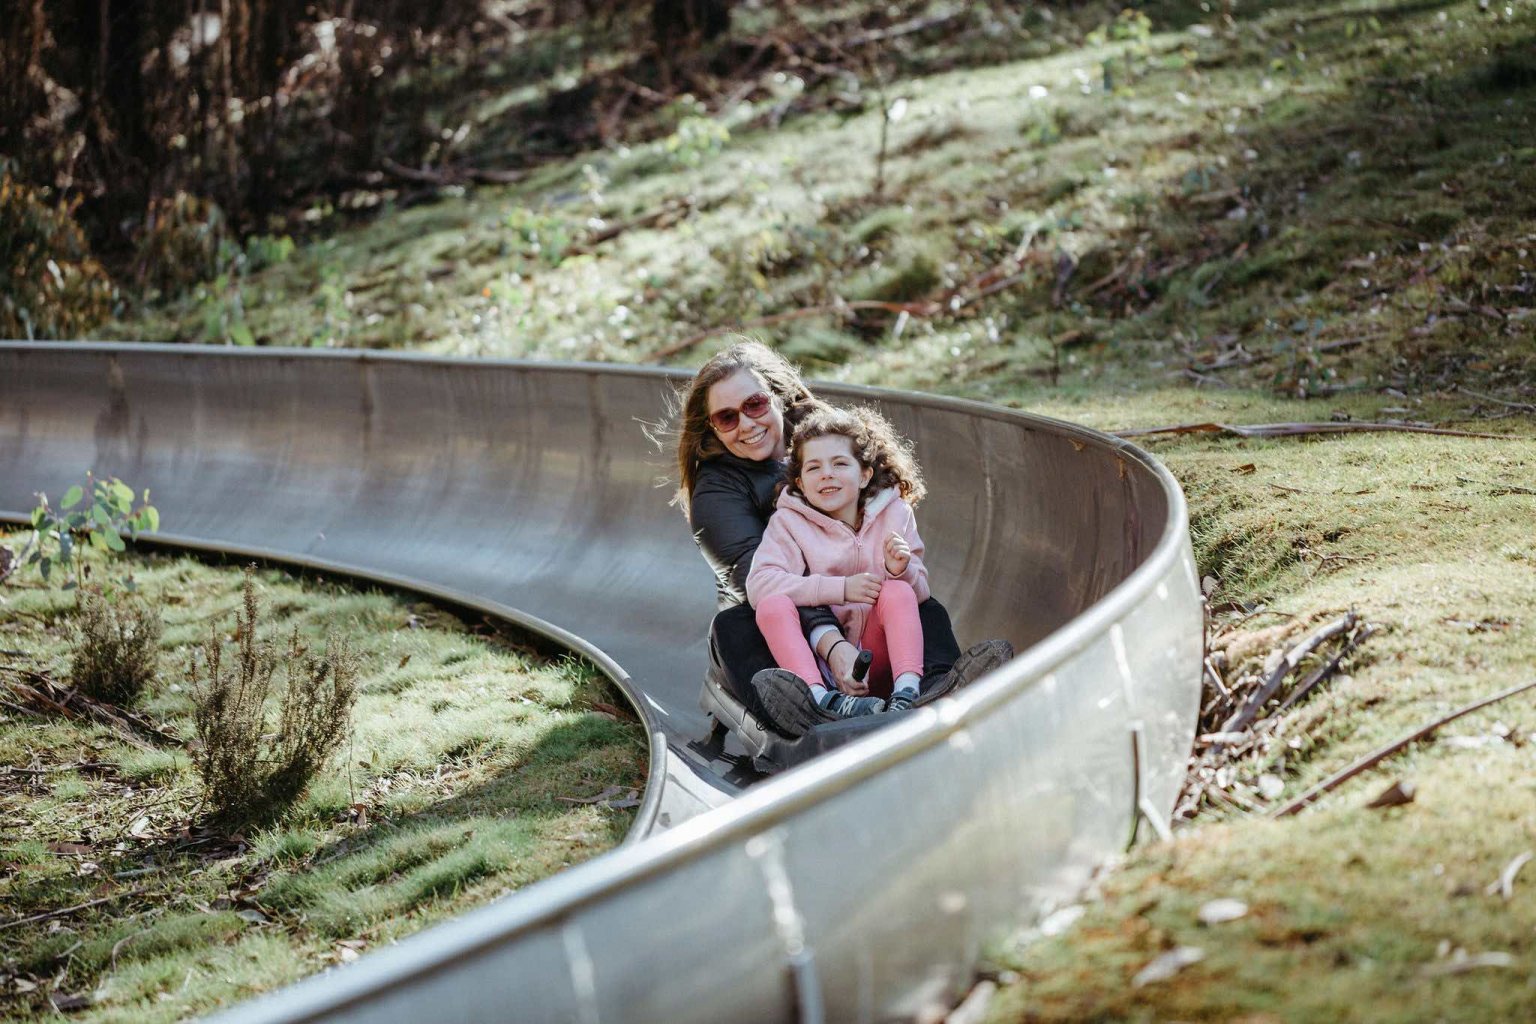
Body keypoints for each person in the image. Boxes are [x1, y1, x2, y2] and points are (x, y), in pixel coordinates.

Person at [674, 338, 1011, 737]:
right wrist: (832, 645)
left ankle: (933, 686)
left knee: (919, 602)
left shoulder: (827, 436)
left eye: (755, 405)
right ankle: (812, 712)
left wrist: (894, 569)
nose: (747, 424)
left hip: (862, 617)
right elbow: (759, 581)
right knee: (736, 626)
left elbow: (882, 521)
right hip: (782, 630)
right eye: (727, 418)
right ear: (713, 427)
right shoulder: (717, 492)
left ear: (777, 398)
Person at [747, 404, 929, 718]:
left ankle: (908, 692)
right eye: (813, 468)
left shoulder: (895, 513)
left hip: (879, 655)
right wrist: (840, 588)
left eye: (840, 463)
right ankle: (819, 702)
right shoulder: (789, 522)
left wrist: (901, 570)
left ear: (864, 475)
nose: (826, 474)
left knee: (897, 592)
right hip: (819, 659)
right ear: (801, 483)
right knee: (771, 606)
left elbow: (923, 591)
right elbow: (759, 584)